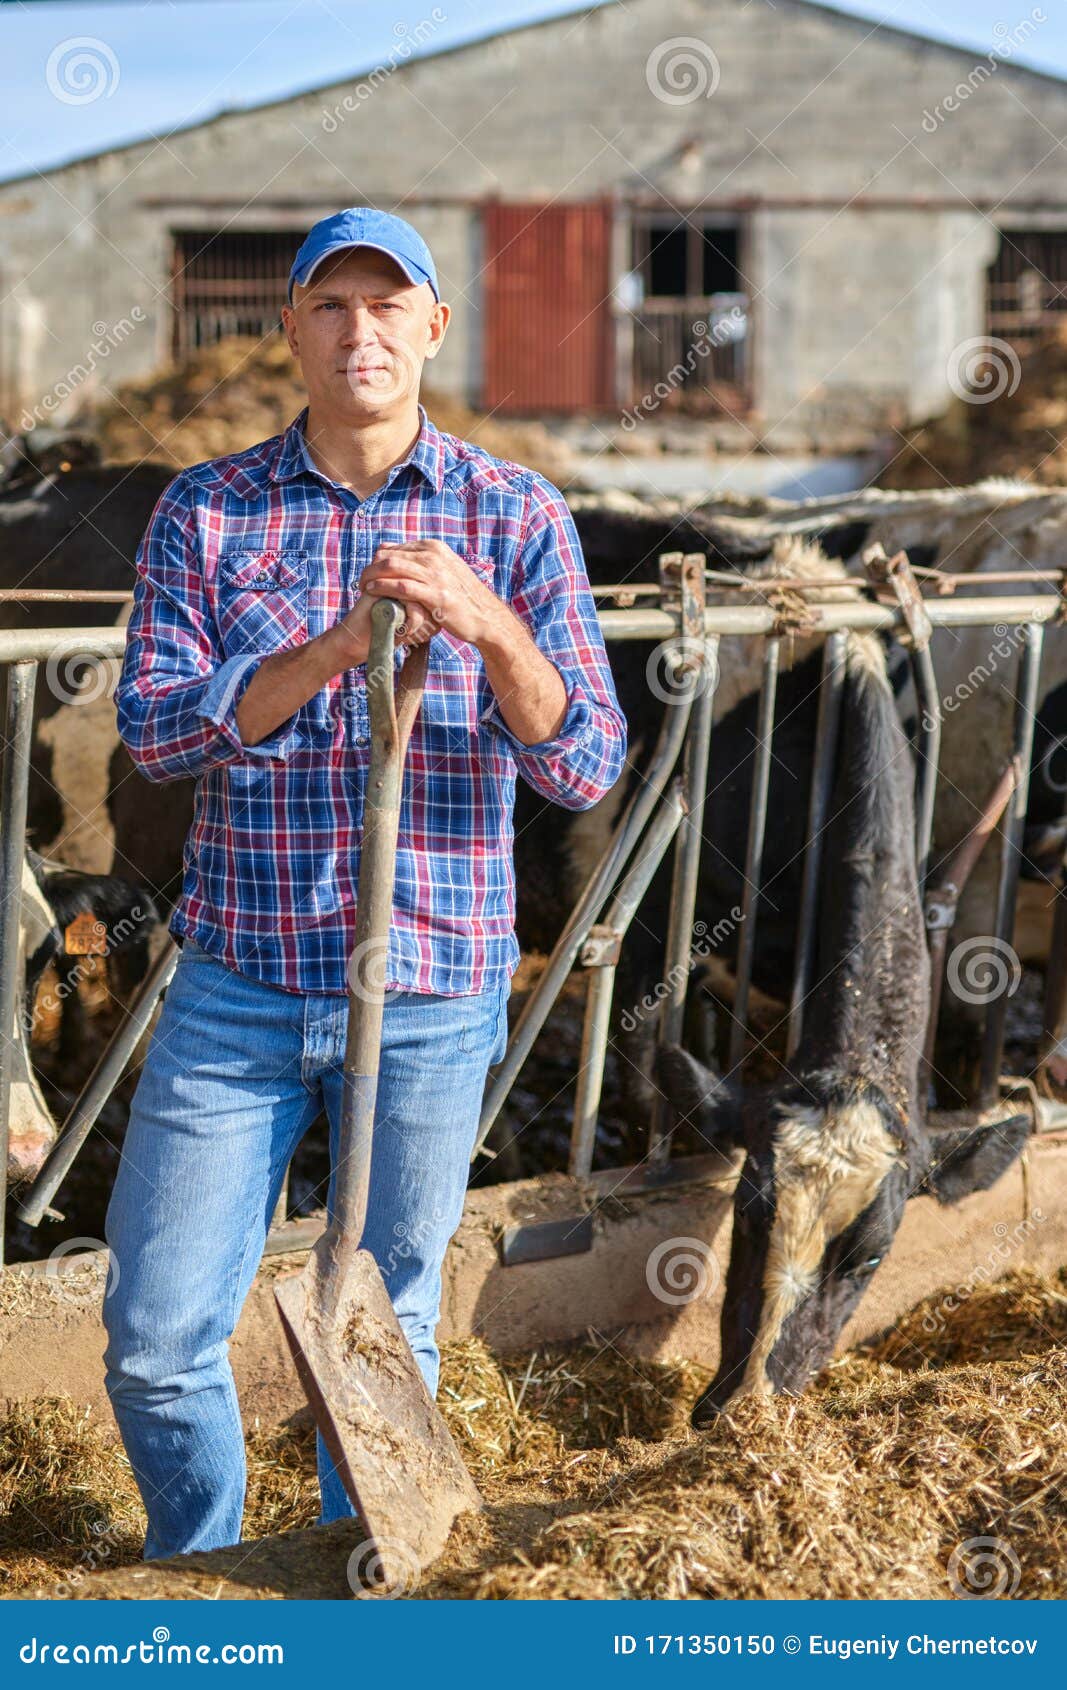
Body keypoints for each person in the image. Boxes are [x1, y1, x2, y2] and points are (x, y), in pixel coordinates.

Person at [104, 206, 627, 1559]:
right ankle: (205, 1572)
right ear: (289, 331)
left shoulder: (516, 515)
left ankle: (365, 1578)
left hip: (436, 982)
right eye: (331, 305)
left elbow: (582, 759)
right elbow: (156, 728)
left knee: (388, 1319)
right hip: (241, 982)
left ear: (434, 330)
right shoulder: (207, 512)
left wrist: (488, 620)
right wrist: (333, 650)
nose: (362, 331)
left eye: (390, 306)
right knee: (159, 1330)